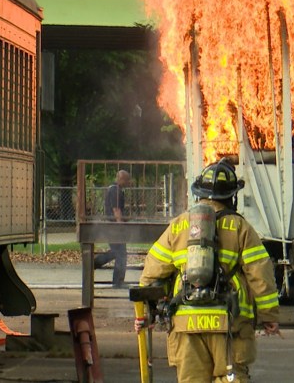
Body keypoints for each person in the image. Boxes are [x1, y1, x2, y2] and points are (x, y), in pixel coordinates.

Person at [136, 158, 280, 383]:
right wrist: (269, 316)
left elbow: (152, 273)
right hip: (230, 323)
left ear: (198, 193)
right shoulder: (240, 227)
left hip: (186, 324)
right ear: (232, 196)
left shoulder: (178, 225)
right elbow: (260, 275)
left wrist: (146, 313)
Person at [94, 169, 131, 288]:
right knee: (121, 254)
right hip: (114, 227)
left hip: (110, 226)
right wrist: (120, 224)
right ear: (121, 179)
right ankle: (117, 281)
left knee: (117, 252)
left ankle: (94, 263)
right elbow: (116, 209)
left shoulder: (113, 189)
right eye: (127, 180)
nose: (128, 183)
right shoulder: (116, 191)